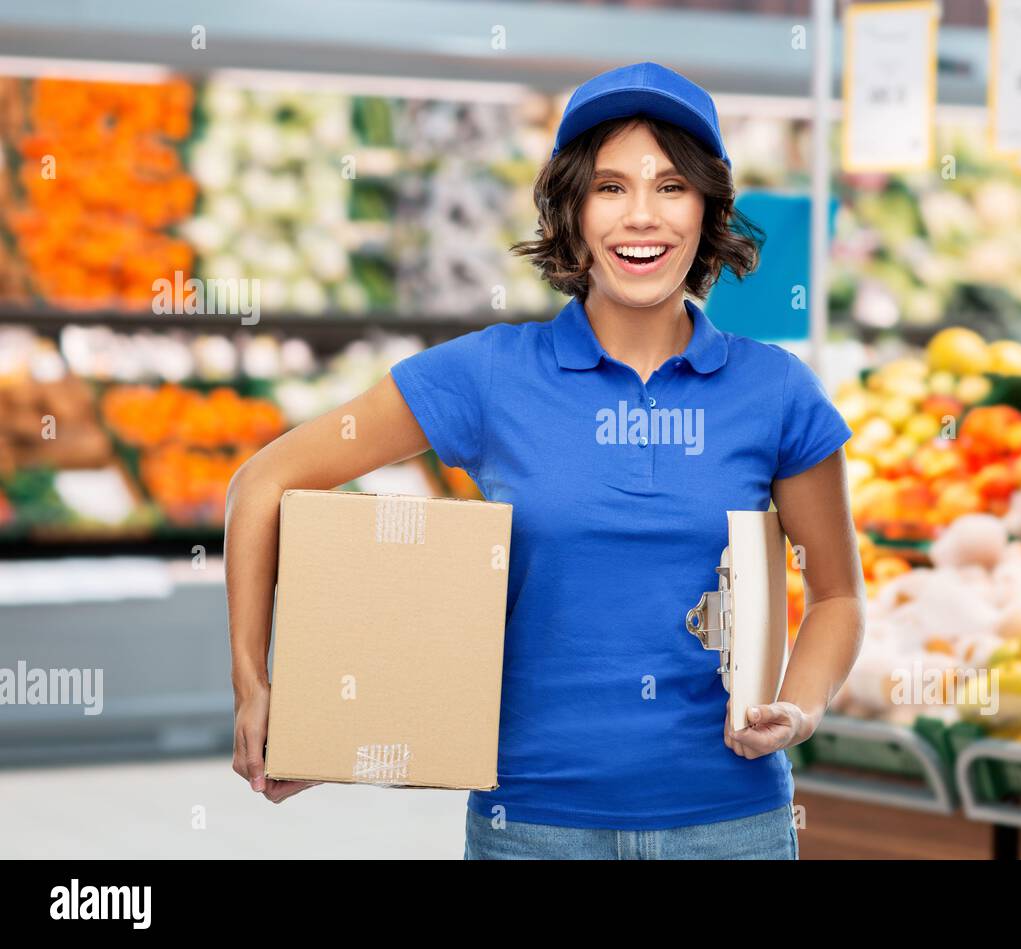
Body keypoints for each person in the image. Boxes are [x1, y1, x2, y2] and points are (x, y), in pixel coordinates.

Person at [226, 61, 866, 860]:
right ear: (571, 209)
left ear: (708, 207)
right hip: (530, 827)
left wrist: (799, 710)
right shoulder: (491, 375)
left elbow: (837, 595)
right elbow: (263, 482)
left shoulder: (774, 389)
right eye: (610, 188)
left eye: (671, 187)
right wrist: (258, 686)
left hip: (730, 825)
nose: (642, 217)